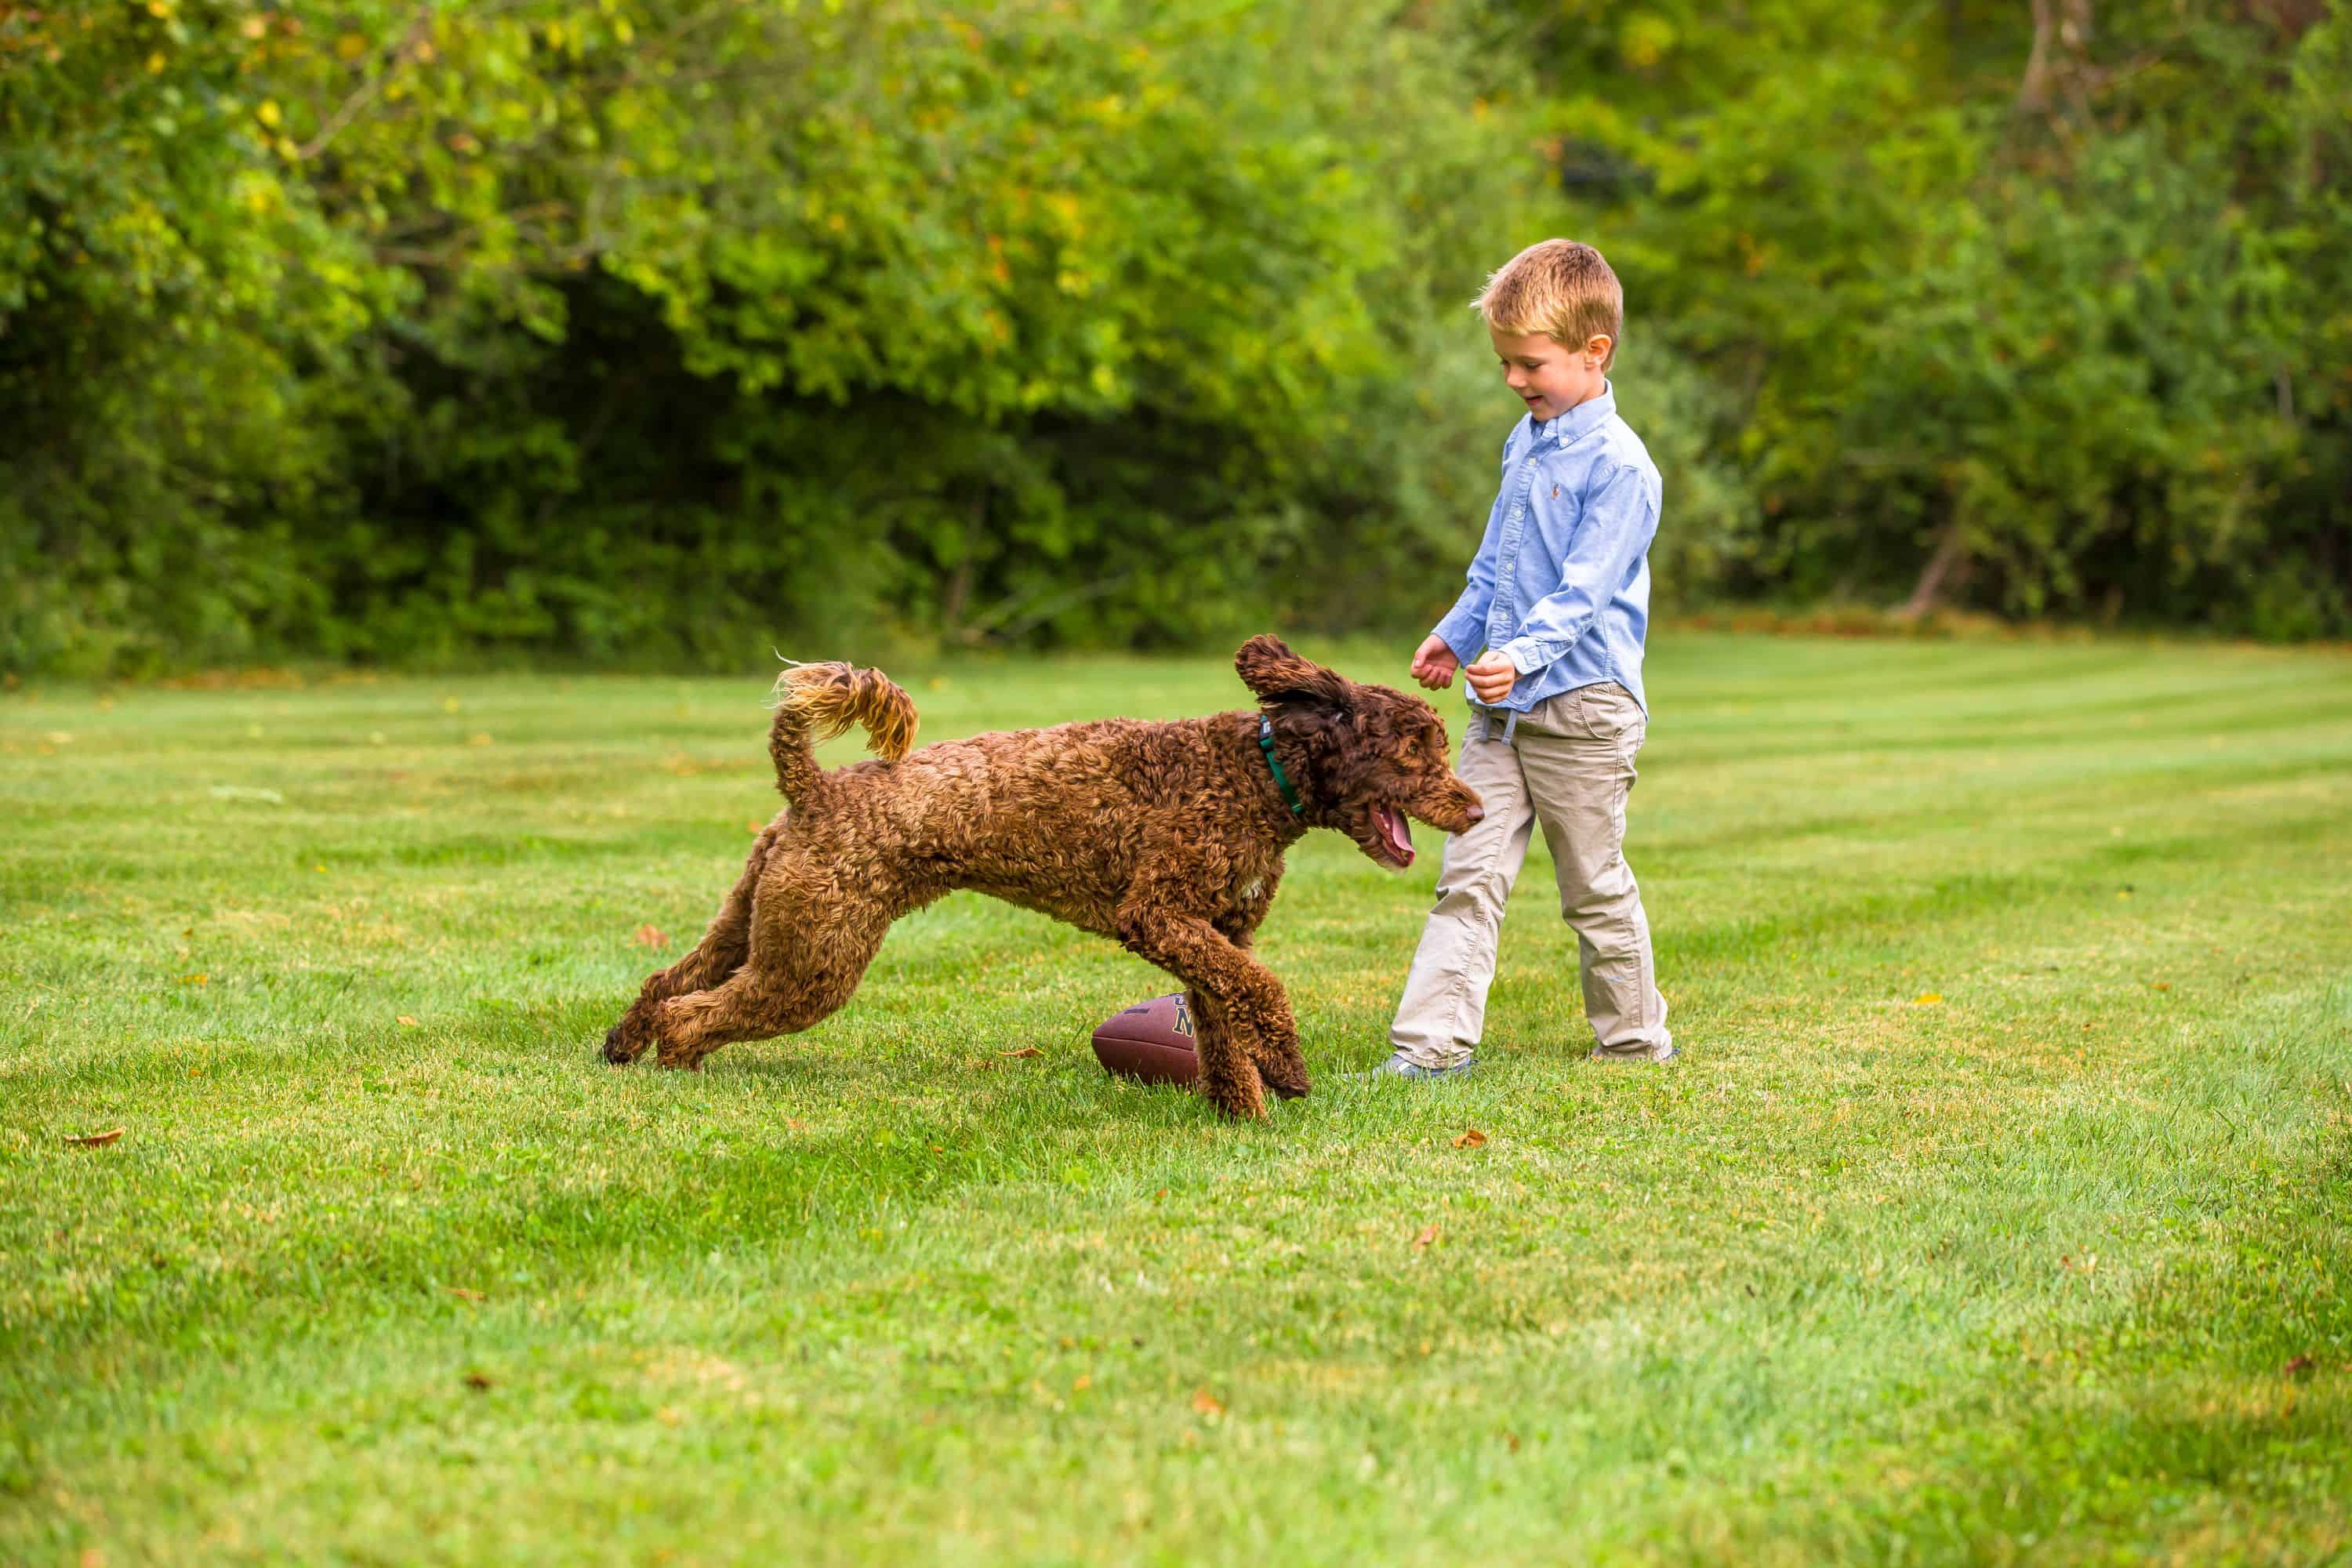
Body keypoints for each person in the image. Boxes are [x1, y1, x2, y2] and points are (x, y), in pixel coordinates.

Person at [1374, 238, 1675, 1077]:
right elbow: (1496, 568)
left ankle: (1634, 1042)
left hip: (1583, 709)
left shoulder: (1622, 469)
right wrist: (1457, 634)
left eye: (1529, 363)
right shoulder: (1527, 440)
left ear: (1594, 352)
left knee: (1592, 886)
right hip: (1501, 713)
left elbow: (1583, 595)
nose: (1513, 379)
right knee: (1467, 876)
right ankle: (1432, 1048)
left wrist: (1518, 654)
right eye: (1504, 362)